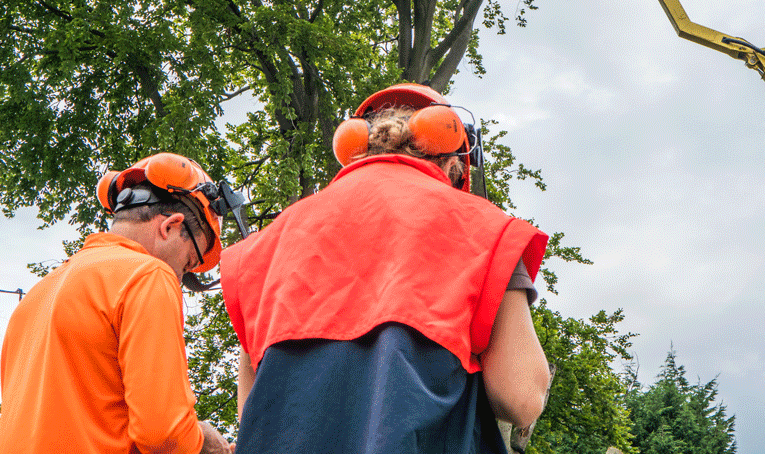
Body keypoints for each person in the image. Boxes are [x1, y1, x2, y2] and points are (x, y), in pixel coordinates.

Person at [220, 83, 552, 454]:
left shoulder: (263, 247)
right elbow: (521, 397)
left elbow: (252, 411)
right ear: (453, 162)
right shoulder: (486, 229)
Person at [0, 152, 238, 454]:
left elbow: (86, 417)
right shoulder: (146, 275)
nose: (179, 276)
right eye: (188, 262)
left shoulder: (36, 297)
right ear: (171, 227)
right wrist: (204, 442)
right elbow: (163, 434)